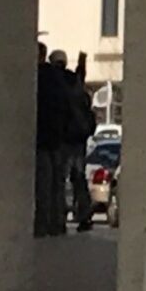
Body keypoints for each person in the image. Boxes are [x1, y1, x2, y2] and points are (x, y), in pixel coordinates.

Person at [59, 51, 97, 231]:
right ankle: (84, 214)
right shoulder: (77, 86)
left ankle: (59, 216)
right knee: (79, 178)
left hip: (64, 140)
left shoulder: (59, 83)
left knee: (59, 178)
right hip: (79, 140)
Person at [34, 43, 69, 237]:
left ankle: (42, 225)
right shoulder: (61, 79)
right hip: (59, 140)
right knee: (57, 185)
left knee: (43, 186)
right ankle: (57, 223)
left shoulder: (37, 77)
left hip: (42, 139)